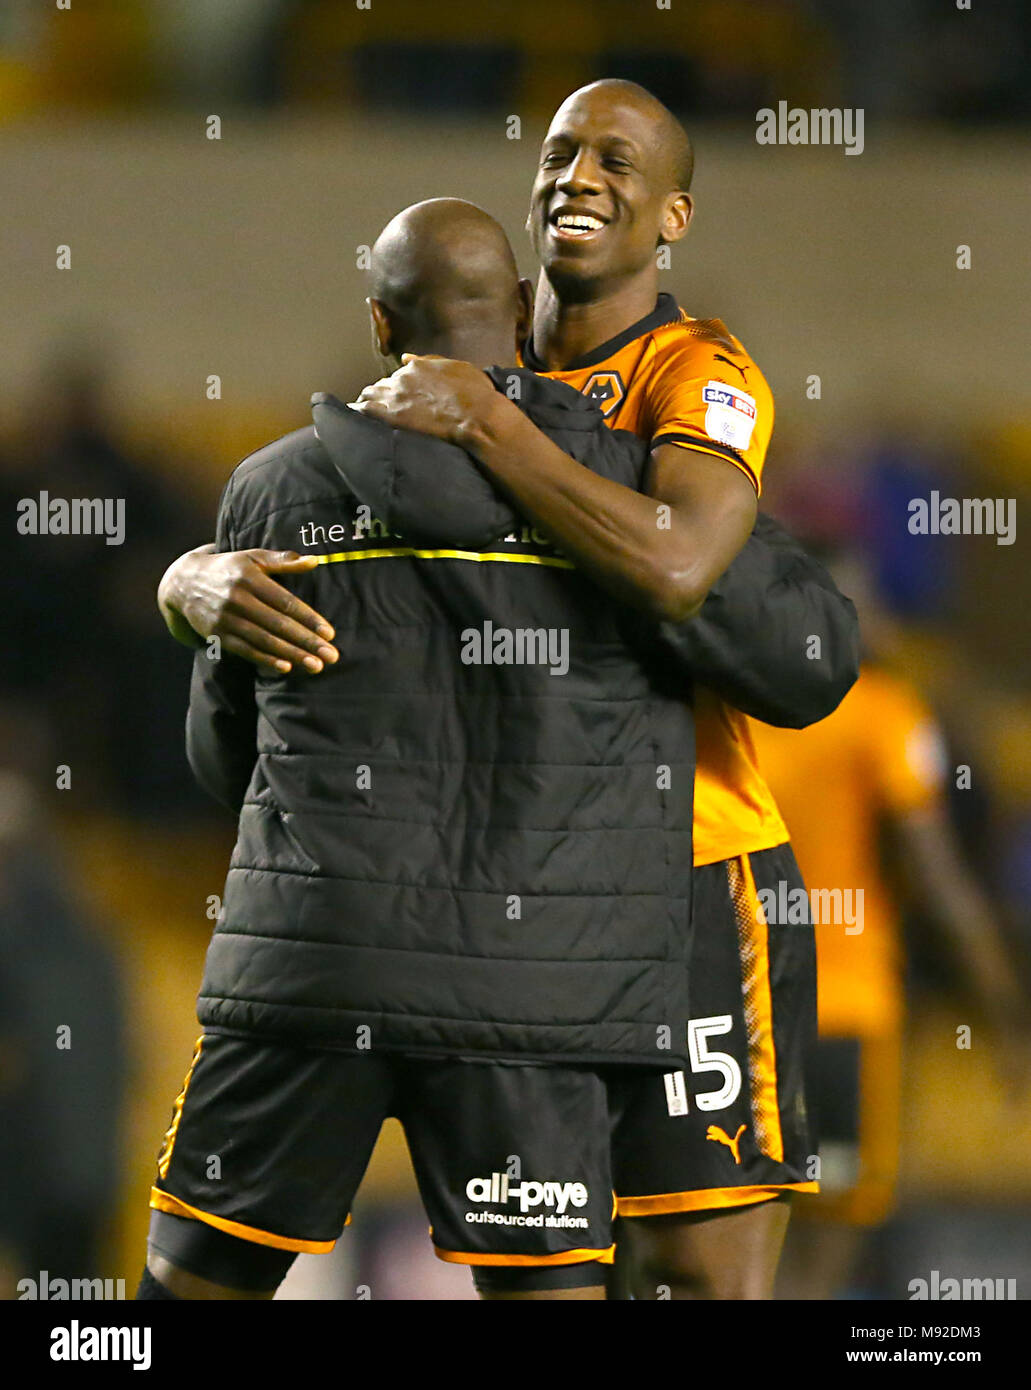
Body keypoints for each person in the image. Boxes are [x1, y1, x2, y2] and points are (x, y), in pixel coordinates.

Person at [158, 81, 851, 1300]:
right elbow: (309, 523)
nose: (577, 175)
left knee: (693, 1272)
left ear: (672, 213)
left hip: (696, 861)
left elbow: (682, 565)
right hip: (525, 886)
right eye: (560, 151)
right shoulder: (477, 348)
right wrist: (194, 577)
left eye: (617, 161)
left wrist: (491, 429)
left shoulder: (695, 370)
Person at [750, 548, 1029, 1299]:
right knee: (822, 1252)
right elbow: (941, 886)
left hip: (732, 1014)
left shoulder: (730, 707)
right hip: (842, 1014)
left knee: (740, 1244)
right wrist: (1004, 1016)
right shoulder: (879, 711)